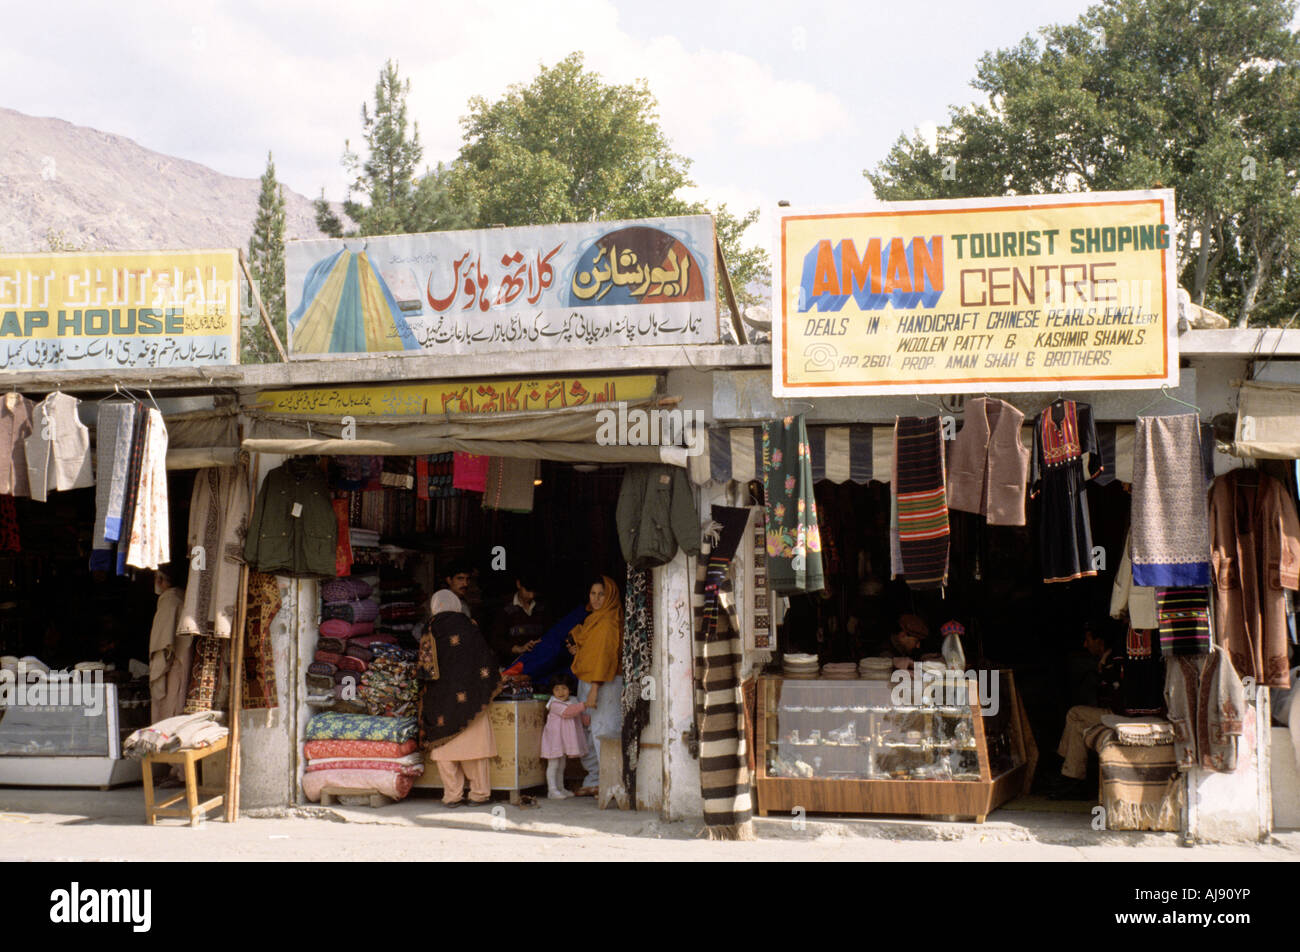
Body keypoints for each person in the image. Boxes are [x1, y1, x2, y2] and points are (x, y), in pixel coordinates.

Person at [417, 589, 504, 807]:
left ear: (435, 607)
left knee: (445, 750)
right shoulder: (470, 626)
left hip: (442, 697)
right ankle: (479, 794)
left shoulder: (430, 628)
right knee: (475, 749)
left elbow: (426, 669)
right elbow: (486, 660)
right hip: (472, 696)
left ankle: (452, 796)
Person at [1051, 624, 1124, 799]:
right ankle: (1070, 778)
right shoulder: (1105, 661)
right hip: (1110, 711)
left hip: (1118, 714)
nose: (1085, 645)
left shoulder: (1114, 660)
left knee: (1074, 713)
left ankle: (1061, 766)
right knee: (1077, 727)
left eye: (1088, 640)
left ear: (1099, 641)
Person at [568, 575, 623, 797]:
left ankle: (609, 782)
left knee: (603, 731)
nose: (598, 599)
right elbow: (591, 653)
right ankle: (594, 779)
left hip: (604, 684)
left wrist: (595, 689)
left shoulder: (609, 622)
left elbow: (604, 658)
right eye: (593, 594)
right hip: (589, 681)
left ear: (610, 596)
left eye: (602, 594)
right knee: (588, 731)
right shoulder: (594, 620)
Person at [489, 572, 551, 668]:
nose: (531, 596)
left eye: (534, 592)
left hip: (535, 665)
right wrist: (518, 649)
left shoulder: (542, 607)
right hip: (509, 666)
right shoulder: (503, 608)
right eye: (528, 590)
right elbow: (496, 640)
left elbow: (548, 634)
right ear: (518, 584)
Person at [542, 678, 587, 799]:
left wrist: (584, 718)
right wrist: (585, 705)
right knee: (553, 764)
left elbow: (577, 714)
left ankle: (560, 787)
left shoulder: (572, 700)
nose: (560, 692)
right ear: (552, 692)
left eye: (564, 688)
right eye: (556, 689)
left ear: (570, 689)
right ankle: (552, 790)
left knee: (561, 764)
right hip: (554, 739)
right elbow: (568, 712)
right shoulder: (554, 703)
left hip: (563, 739)